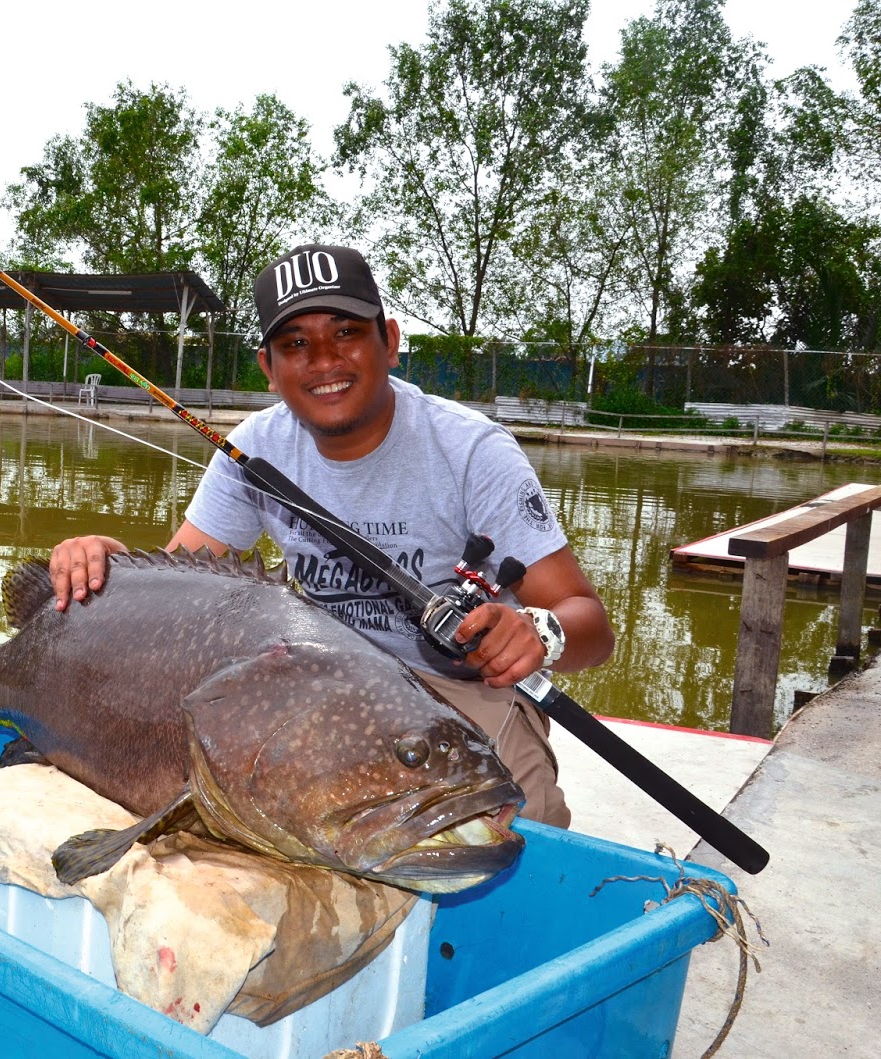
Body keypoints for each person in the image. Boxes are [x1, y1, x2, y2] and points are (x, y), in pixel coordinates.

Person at [49, 244, 613, 827]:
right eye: (295, 344)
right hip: (323, 687)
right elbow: (179, 587)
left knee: (511, 835)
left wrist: (537, 632)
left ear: (389, 342)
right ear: (268, 367)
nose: (323, 361)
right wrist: (117, 571)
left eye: (345, 332)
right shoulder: (254, 449)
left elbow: (593, 628)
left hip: (466, 693)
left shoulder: (473, 451)